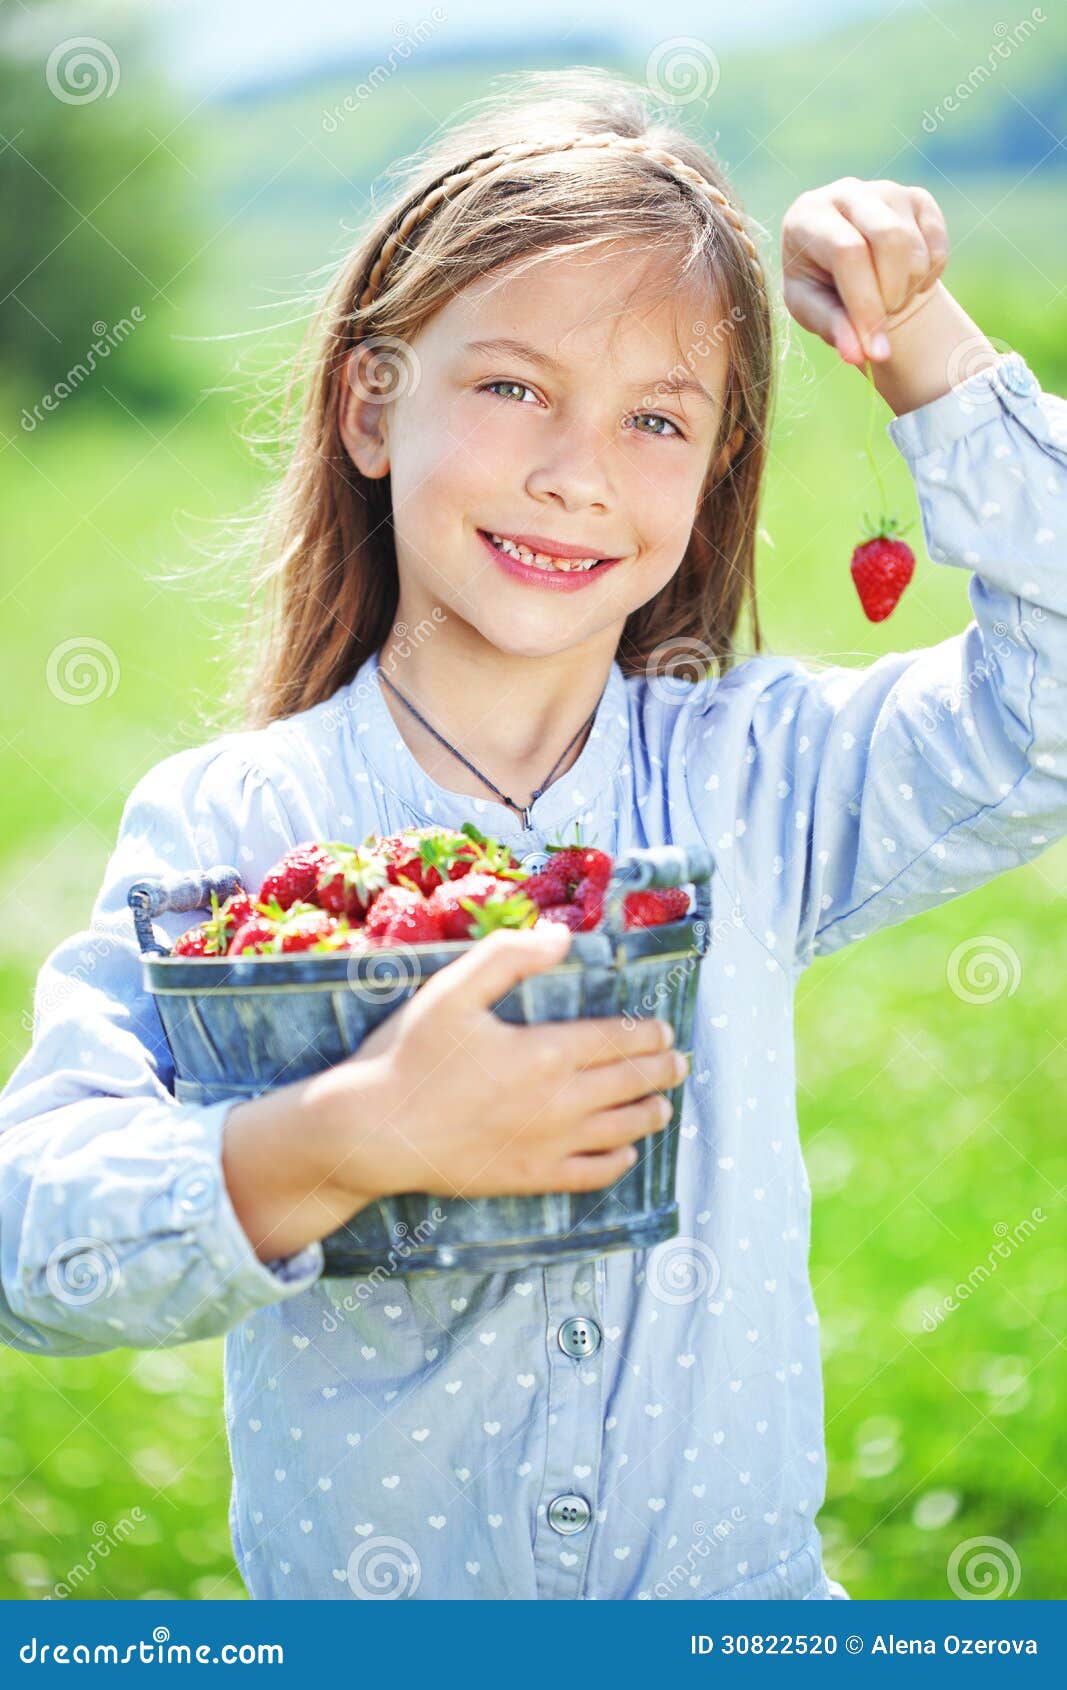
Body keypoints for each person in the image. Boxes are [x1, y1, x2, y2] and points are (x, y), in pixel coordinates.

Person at [1, 69, 1063, 1601]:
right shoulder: (238, 828)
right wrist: (350, 1132)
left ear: (714, 469)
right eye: (512, 388)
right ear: (374, 403)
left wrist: (929, 355)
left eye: (655, 418)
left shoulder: (756, 782)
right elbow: (35, 1235)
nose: (576, 471)